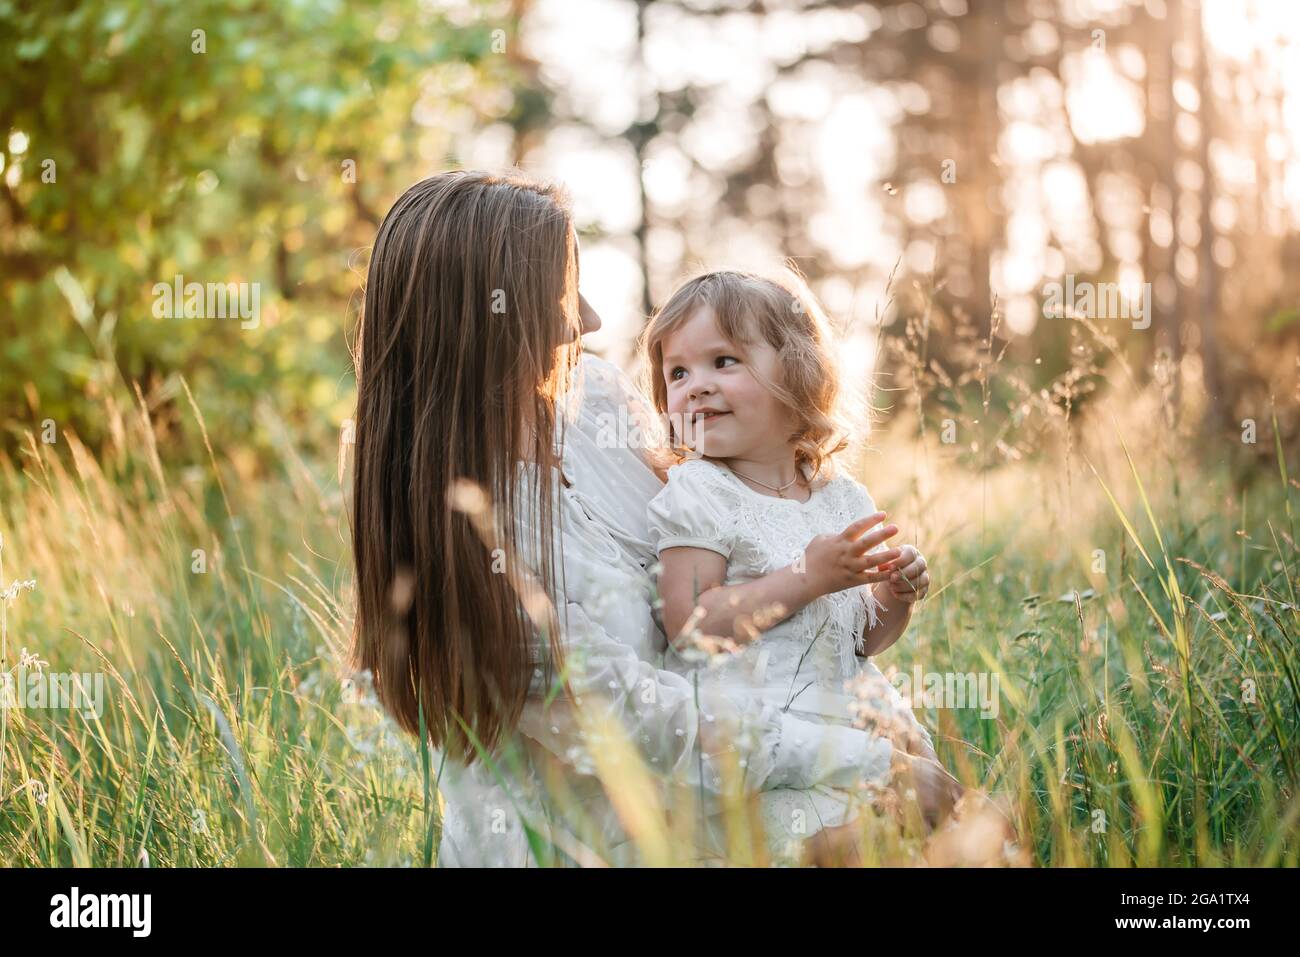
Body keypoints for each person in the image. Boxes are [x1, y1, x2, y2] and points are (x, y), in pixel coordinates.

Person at [349, 170, 956, 866]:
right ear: (490, 315)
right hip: (608, 838)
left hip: (739, 782)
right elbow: (645, 723)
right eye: (560, 291)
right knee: (952, 827)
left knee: (974, 824)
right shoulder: (461, 540)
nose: (592, 320)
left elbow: (737, 521)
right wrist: (868, 758)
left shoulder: (596, 399)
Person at [640, 268, 956, 862]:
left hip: (853, 715)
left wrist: (893, 598)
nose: (696, 386)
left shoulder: (842, 497)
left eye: (723, 361)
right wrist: (807, 580)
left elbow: (862, 639)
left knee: (966, 826)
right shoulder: (698, 493)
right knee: (859, 847)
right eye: (677, 372)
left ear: (798, 371)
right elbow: (687, 625)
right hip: (764, 742)